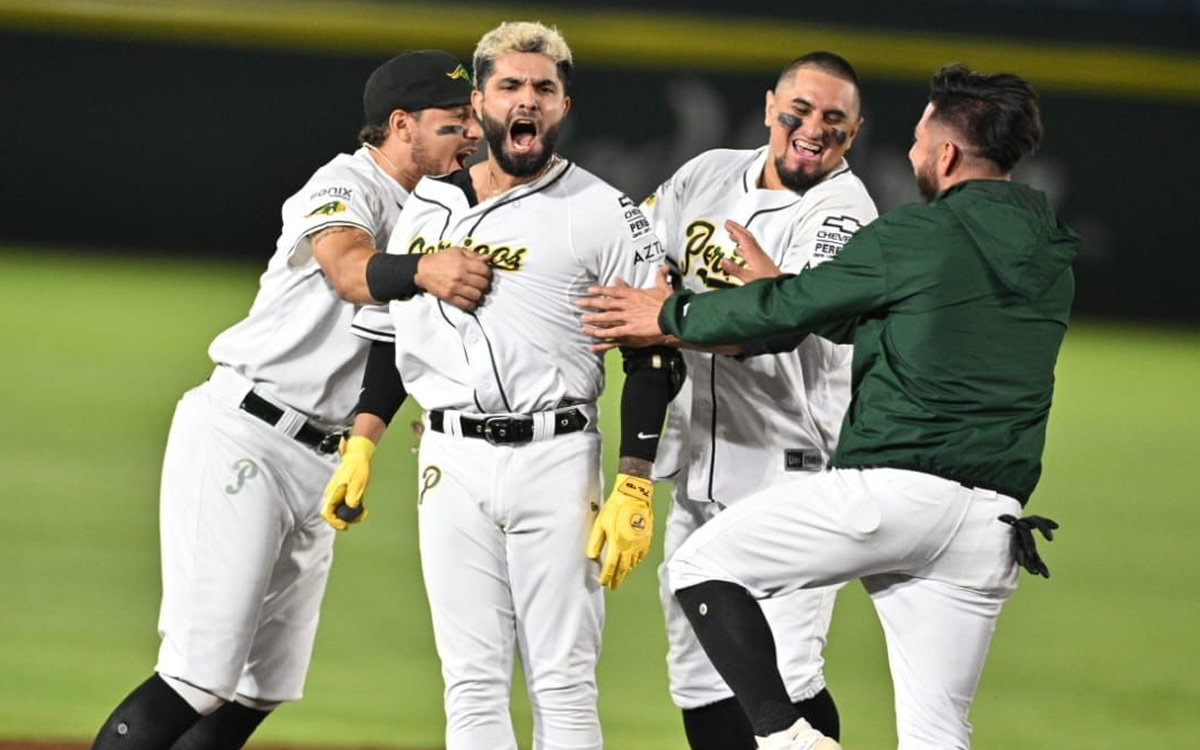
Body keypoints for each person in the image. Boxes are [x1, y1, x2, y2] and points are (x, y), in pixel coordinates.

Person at [581, 62, 1076, 750]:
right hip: (989, 524)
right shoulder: (1052, 255)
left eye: (918, 138)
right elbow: (862, 319)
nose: (911, 153)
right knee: (939, 733)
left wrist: (670, 313)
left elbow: (788, 315)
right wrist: (779, 288)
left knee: (700, 568)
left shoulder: (912, 234)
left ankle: (791, 741)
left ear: (948, 152)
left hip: (887, 494)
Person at [89, 50, 491, 750]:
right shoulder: (344, 183)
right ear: (401, 125)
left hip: (322, 458)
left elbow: (397, 345)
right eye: (453, 123)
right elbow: (348, 271)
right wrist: (426, 269)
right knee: (198, 675)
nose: (472, 136)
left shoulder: (440, 209)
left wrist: (392, 428)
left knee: (261, 686)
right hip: (246, 434)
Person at [320, 21, 682, 750]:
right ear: (480, 102)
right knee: (471, 684)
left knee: (563, 682)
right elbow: (393, 341)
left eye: (544, 88)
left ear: (564, 106)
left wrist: (635, 482)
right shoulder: (426, 206)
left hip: (557, 457)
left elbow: (652, 353)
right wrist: (361, 445)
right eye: (510, 86)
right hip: (448, 463)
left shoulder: (604, 211)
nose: (528, 100)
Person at [640, 51, 877, 750]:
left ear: (854, 132)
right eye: (800, 111)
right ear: (772, 104)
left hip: (789, 471)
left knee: (788, 677)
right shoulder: (707, 172)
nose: (814, 129)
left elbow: (774, 325)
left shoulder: (841, 210)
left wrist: (666, 313)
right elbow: (638, 261)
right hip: (700, 464)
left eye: (835, 119)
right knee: (702, 676)